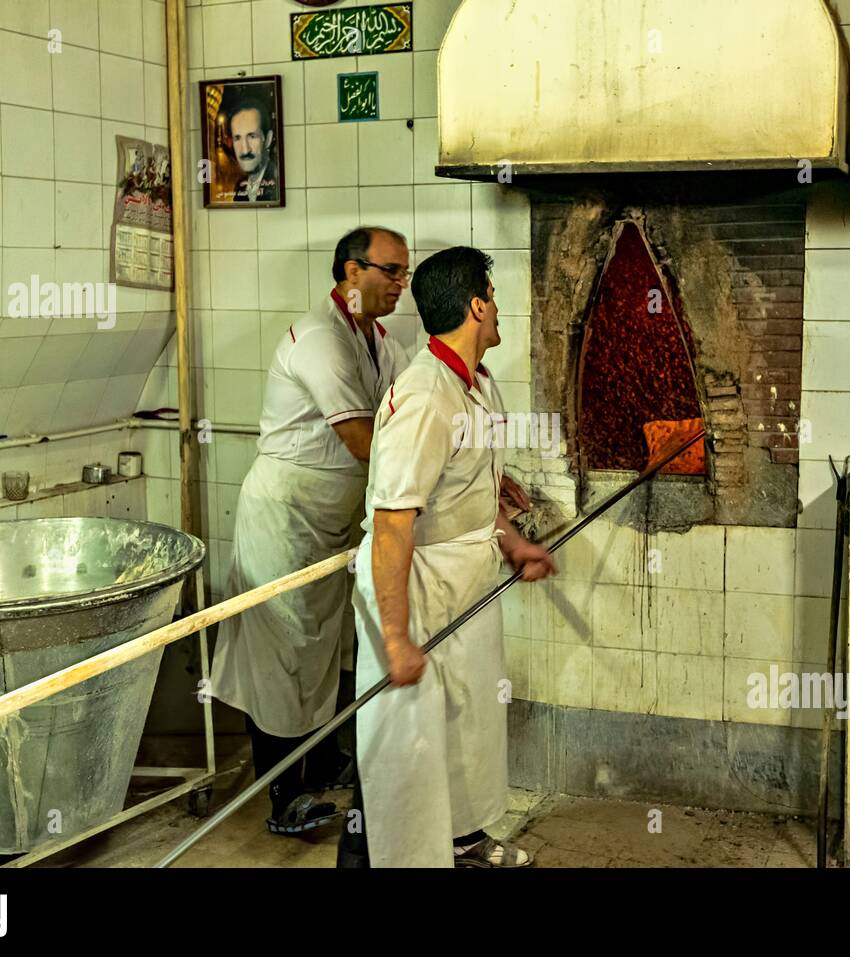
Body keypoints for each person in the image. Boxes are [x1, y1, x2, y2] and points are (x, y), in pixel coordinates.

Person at [342, 246, 556, 867]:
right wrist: (396, 636)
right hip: (417, 588)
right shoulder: (424, 398)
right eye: (493, 295)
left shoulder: (477, 385)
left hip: (466, 583)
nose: (500, 307)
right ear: (477, 305)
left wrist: (512, 543)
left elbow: (469, 492)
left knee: (467, 726)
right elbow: (390, 527)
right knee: (407, 746)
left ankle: (462, 843)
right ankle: (403, 859)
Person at [211, 227, 411, 835]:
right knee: (280, 654)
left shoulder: (378, 343)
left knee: (324, 649)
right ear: (353, 272)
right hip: (284, 515)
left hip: (330, 523)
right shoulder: (320, 338)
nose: (402, 283)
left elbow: (405, 423)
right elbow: (361, 440)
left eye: (405, 272)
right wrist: (427, 489)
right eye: (392, 271)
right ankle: (281, 799)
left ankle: (319, 764)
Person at [224, 91, 278, 203]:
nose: (245, 149)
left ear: (267, 139)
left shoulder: (278, 181)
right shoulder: (240, 187)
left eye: (252, 136)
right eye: (237, 138)